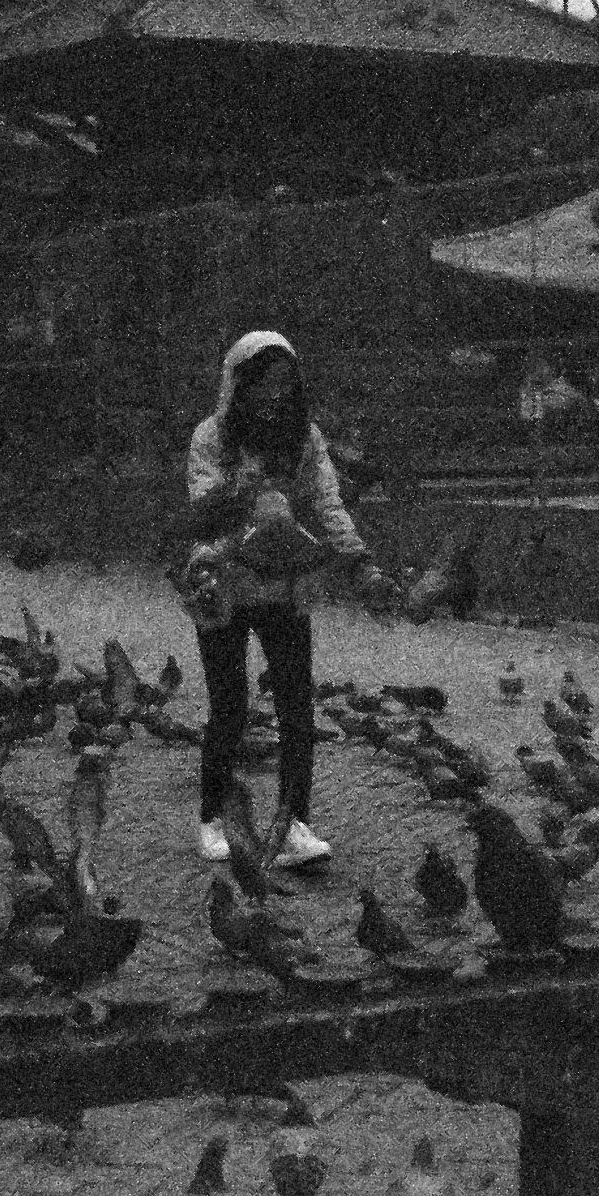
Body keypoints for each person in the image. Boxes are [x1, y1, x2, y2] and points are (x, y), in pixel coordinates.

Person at [179, 331, 386, 867]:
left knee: (296, 705)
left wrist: (358, 559)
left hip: (284, 585)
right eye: (264, 383)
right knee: (230, 706)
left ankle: (294, 821)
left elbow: (326, 501)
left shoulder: (305, 438)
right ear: (240, 384)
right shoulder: (212, 438)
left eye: (285, 383)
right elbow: (200, 509)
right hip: (223, 585)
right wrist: (239, 488)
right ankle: (213, 818)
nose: (275, 394)